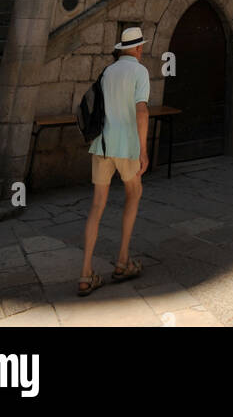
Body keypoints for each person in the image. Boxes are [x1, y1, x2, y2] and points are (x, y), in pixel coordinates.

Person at [78, 26, 150, 295]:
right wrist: (143, 150)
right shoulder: (139, 72)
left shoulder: (108, 71)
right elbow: (141, 111)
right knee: (134, 194)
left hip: (102, 145)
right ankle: (122, 260)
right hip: (127, 146)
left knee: (97, 205)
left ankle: (85, 274)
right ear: (139, 48)